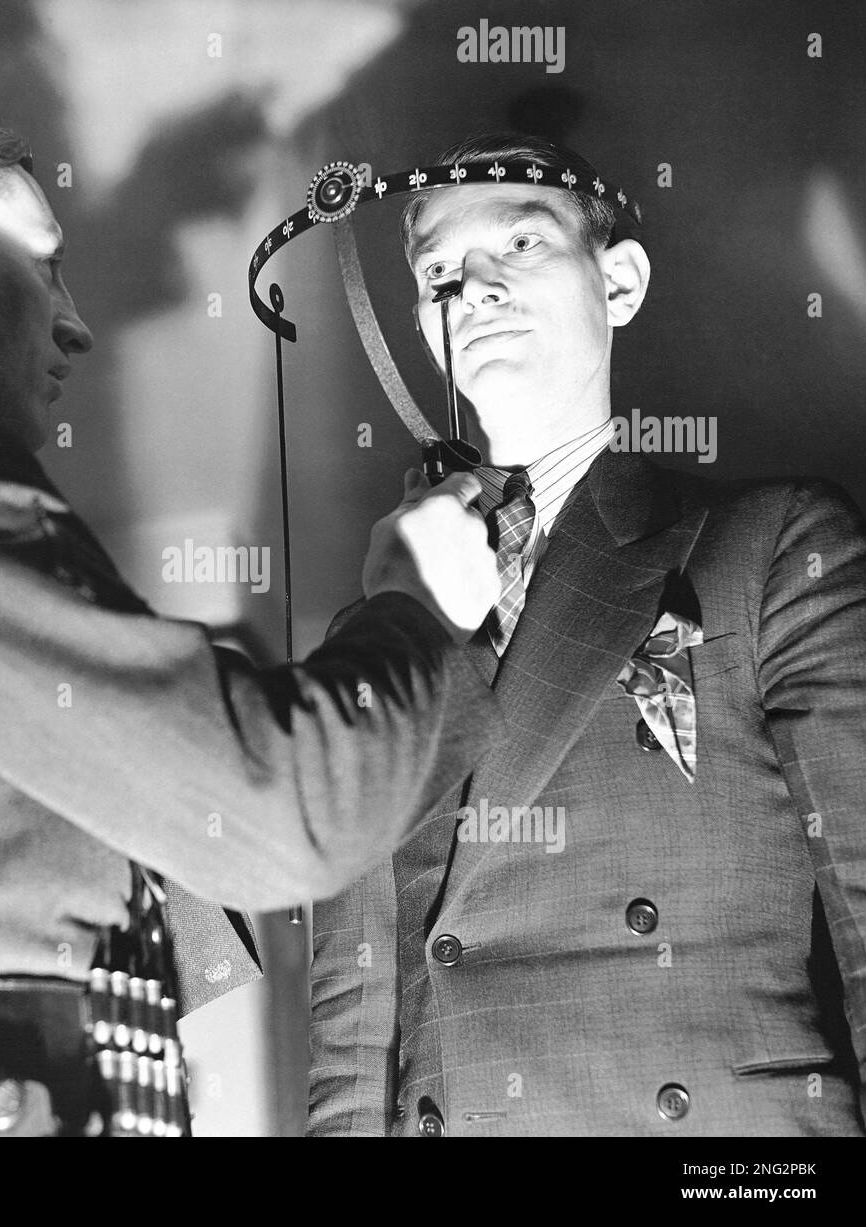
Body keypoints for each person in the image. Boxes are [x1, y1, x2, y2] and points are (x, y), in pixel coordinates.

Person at [0, 99, 502, 1137]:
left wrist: (228, 692)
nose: (75, 321)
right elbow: (280, 818)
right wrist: (419, 608)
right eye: (46, 262)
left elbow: (132, 876)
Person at [309, 132, 866, 1137]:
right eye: (438, 269)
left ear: (618, 281)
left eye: (518, 246)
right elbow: (354, 1023)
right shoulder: (379, 626)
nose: (469, 287)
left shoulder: (772, 545)